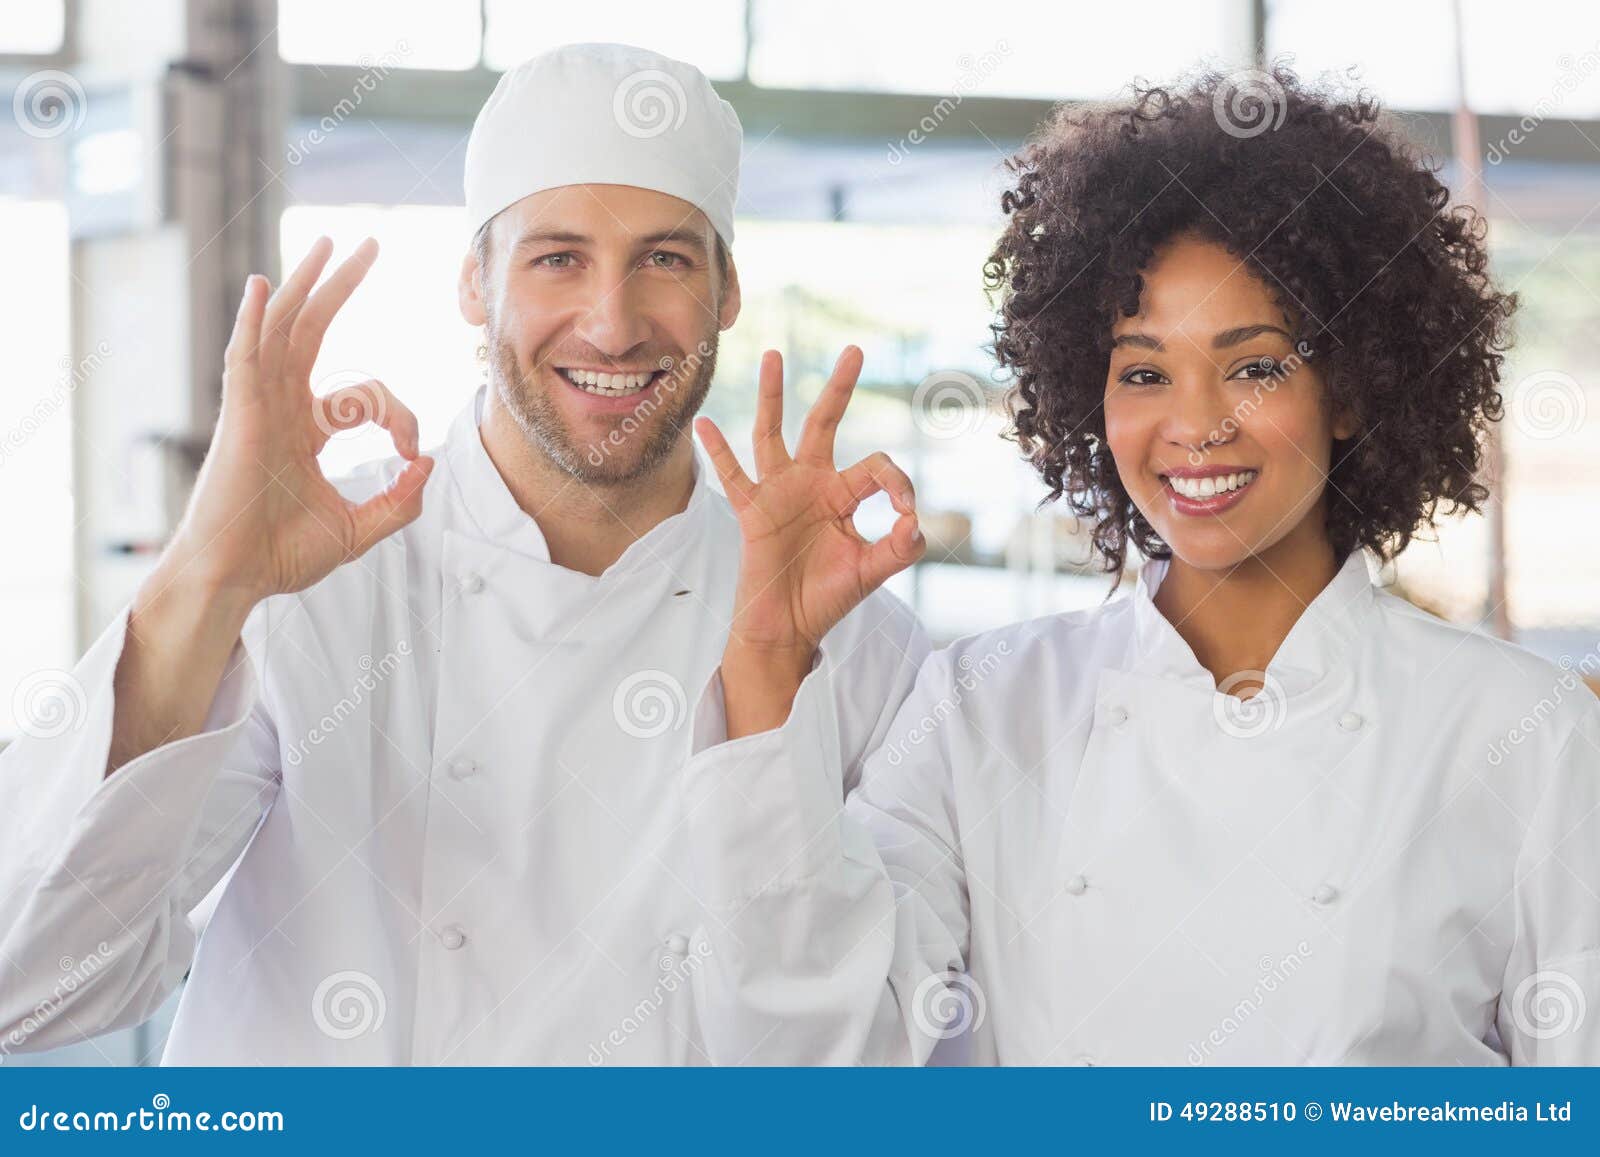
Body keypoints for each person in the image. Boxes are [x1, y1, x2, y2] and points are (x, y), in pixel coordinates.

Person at [0, 43, 927, 1064]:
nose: (612, 324)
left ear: (726, 290)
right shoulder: (317, 579)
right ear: (474, 288)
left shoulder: (852, 646)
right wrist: (203, 580)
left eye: (665, 258)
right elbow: (30, 986)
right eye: (556, 258)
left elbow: (860, 1072)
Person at [683, 67, 1600, 1065]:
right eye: (1144, 372)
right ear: (1088, 396)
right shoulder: (985, 706)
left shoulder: (1523, 732)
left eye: (1255, 366)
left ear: (1349, 388)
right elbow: (815, 1051)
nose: (1195, 425)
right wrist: (767, 652)